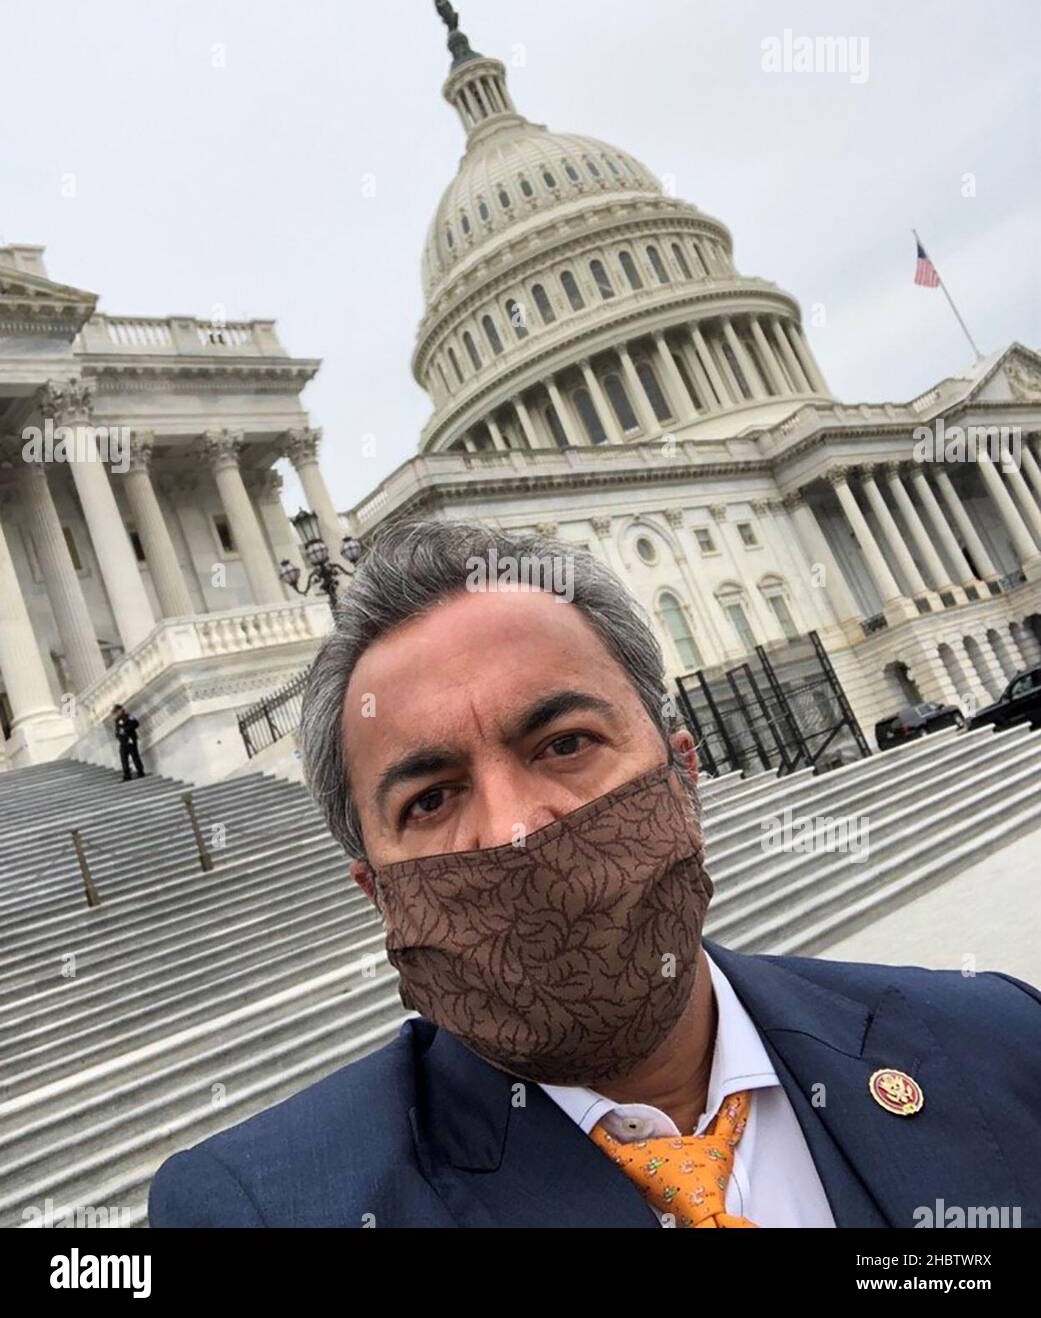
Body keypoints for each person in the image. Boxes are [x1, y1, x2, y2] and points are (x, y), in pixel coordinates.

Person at [149, 520, 1041, 1228]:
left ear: (683, 774)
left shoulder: (995, 1040)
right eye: (429, 799)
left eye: (564, 744)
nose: (515, 830)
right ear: (376, 895)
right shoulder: (264, 1212)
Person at [112, 704, 145, 780]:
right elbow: (118, 730)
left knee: (134, 756)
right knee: (123, 758)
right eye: (115, 712)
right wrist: (117, 735)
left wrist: (126, 730)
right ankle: (127, 775)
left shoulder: (128, 716)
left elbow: (136, 724)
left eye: (117, 711)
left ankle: (140, 772)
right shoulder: (117, 720)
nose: (116, 713)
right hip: (123, 742)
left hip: (130, 740)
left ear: (121, 710)